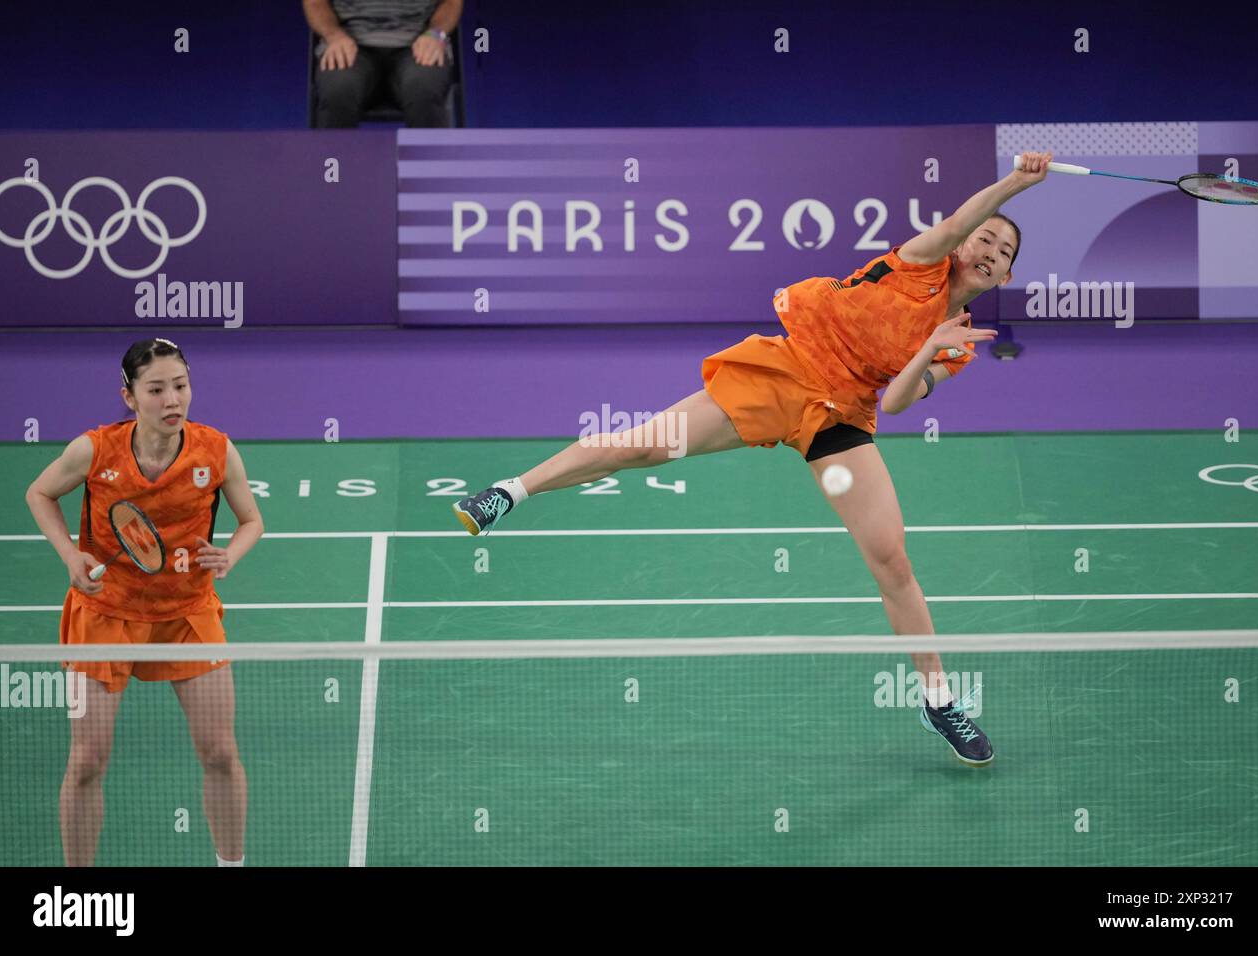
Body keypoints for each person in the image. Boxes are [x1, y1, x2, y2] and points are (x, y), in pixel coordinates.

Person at [452, 153, 1057, 766]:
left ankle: (937, 700)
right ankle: (512, 490)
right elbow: (957, 222)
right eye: (986, 236)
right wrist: (1018, 183)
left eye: (1003, 252)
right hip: (785, 373)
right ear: (962, 244)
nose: (989, 248)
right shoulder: (924, 259)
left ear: (1004, 276)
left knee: (891, 559)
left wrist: (932, 344)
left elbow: (898, 404)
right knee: (644, 443)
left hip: (838, 417)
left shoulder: (961, 343)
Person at [24, 338, 265, 865]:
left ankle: (232, 864)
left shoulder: (216, 450)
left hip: (186, 614)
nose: (172, 399)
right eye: (156, 389)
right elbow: (38, 492)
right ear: (129, 397)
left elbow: (252, 521)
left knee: (220, 752)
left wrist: (229, 557)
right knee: (87, 760)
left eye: (180, 386)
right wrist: (70, 555)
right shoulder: (95, 449)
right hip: (104, 613)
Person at [305, 0, 462, 128]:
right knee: (338, 88)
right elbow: (315, 3)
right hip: (348, 42)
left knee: (424, 86)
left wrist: (435, 33)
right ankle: (336, 166)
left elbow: (451, 2)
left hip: (419, 43)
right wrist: (334, 35)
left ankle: (428, 167)